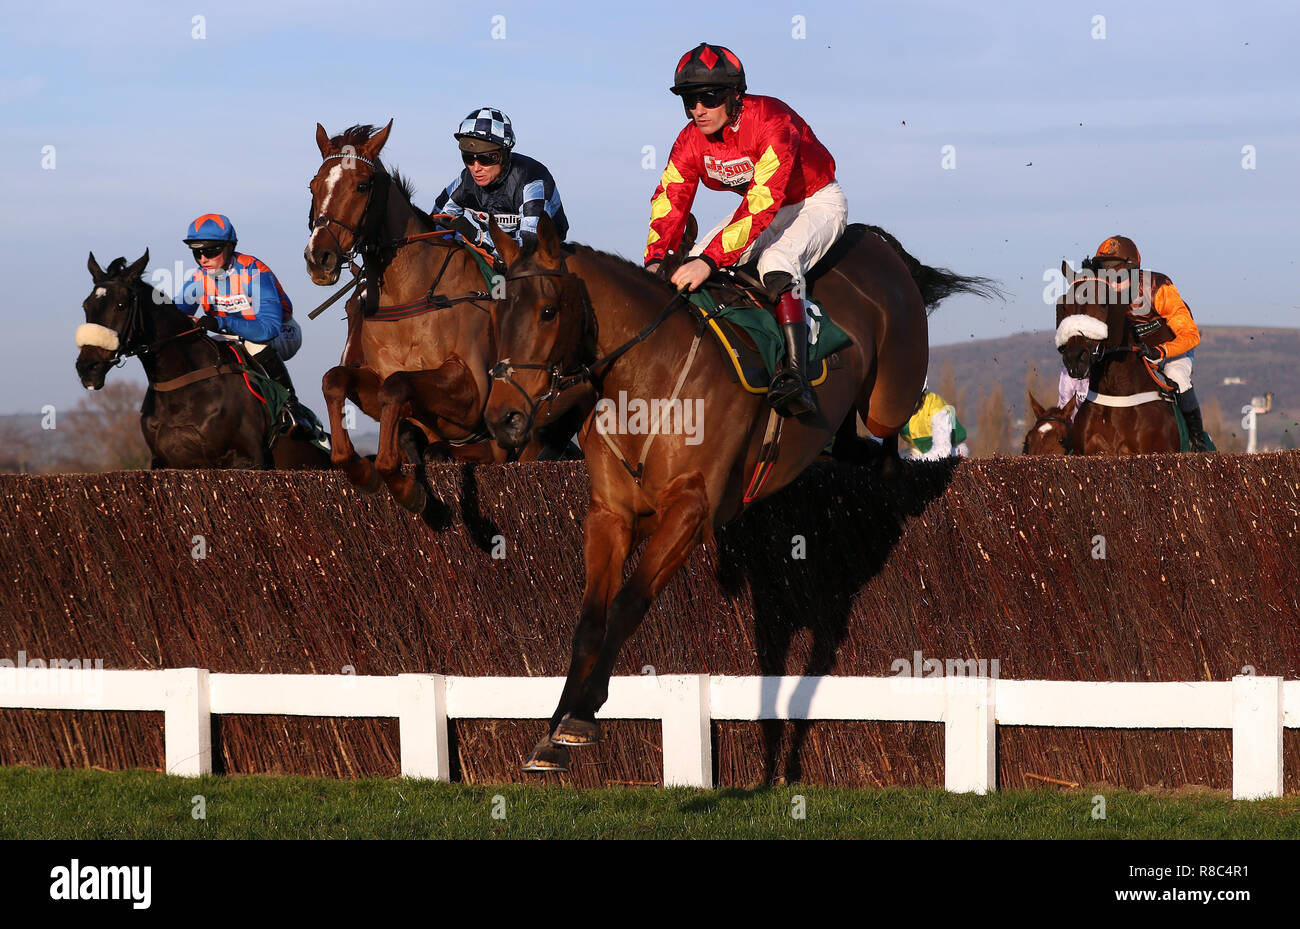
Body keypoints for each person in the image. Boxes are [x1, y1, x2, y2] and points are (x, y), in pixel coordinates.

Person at [643, 42, 846, 418]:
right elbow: (671, 198)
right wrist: (656, 259)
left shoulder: (772, 120)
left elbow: (762, 201)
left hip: (814, 202)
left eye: (708, 97)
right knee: (685, 265)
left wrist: (709, 260)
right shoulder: (690, 140)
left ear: (735, 95)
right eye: (689, 99)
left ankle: (798, 378)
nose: (697, 109)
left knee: (776, 261)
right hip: (762, 207)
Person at [1058, 235, 1210, 450]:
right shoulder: (1101, 292)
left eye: (1112, 266)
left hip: (1170, 350)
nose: (1107, 273)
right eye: (1102, 266)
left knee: (1178, 377)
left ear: (1131, 267)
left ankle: (1197, 439)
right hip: (1131, 353)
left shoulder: (1158, 286)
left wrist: (1161, 351)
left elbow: (1191, 335)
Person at [176, 213, 311, 430]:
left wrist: (220, 322)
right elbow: (176, 315)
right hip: (235, 333)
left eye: (210, 250)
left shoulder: (254, 272)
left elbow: (267, 329)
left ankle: (291, 407)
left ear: (230, 247)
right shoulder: (198, 277)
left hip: (281, 332)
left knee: (254, 345)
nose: (203, 258)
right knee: (205, 351)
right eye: (197, 252)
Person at [432, 107, 569, 255]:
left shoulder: (532, 179)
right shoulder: (466, 179)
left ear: (504, 155)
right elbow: (436, 221)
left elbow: (528, 247)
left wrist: (477, 236)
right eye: (468, 158)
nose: (476, 168)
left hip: (541, 256)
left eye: (486, 158)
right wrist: (451, 237)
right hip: (494, 251)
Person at [900, 387, 969, 460]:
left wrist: (917, 463)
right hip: (921, 451)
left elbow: (943, 450)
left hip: (953, 450)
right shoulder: (897, 409)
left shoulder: (935, 406)